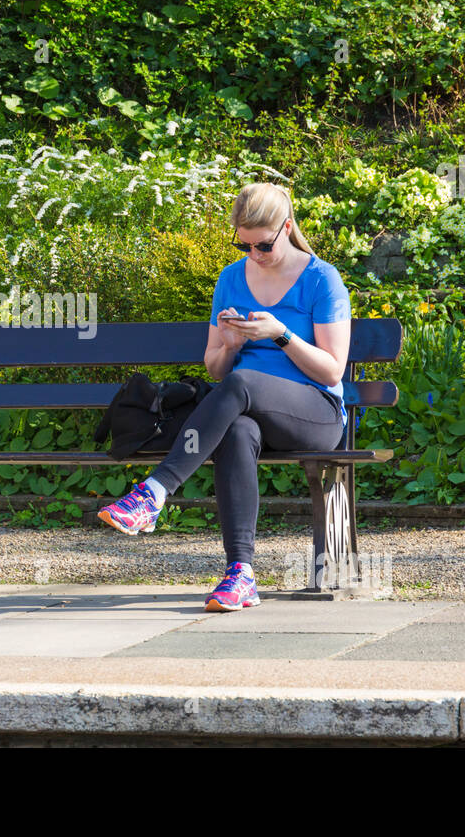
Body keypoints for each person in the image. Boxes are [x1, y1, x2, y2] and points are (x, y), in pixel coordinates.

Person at [98, 182, 351, 611]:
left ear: (287, 228)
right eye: (244, 245)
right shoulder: (232, 278)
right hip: (248, 409)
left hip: (315, 414)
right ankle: (241, 575)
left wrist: (281, 334)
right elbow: (214, 366)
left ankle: (155, 491)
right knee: (235, 429)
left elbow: (332, 369)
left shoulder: (321, 279)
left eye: (263, 246)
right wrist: (231, 344)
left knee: (239, 384)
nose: (254, 254)